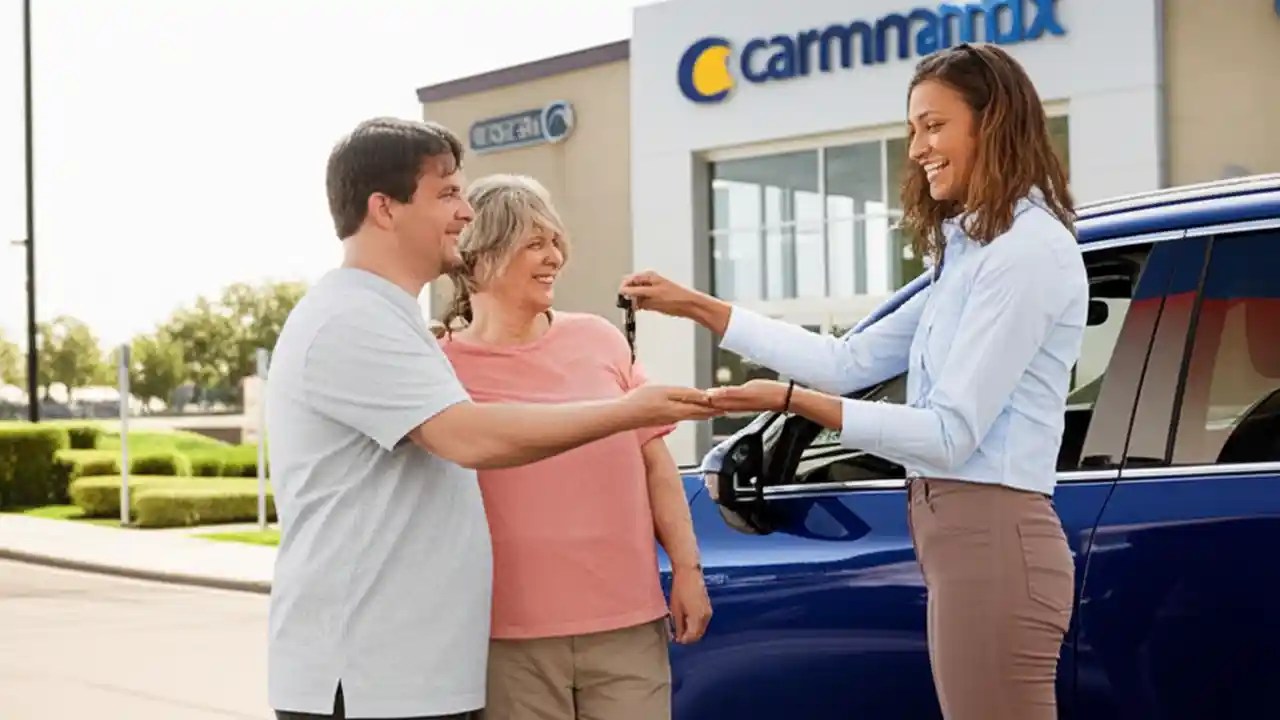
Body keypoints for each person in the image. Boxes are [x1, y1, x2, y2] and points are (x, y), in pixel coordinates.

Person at [619, 43, 1086, 720]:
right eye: (913, 131)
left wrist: (789, 402)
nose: (919, 149)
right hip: (967, 539)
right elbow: (850, 362)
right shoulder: (977, 252)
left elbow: (951, 434)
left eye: (934, 125)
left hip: (993, 536)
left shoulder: (1025, 253)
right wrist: (697, 306)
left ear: (993, 122)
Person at [265, 118, 719, 720]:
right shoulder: (357, 323)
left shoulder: (394, 323)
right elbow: (466, 436)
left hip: (411, 673)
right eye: (448, 193)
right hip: (374, 677)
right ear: (385, 208)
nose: (462, 211)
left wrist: (684, 564)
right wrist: (622, 412)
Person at [434, 174, 712, 720]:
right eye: (533, 243)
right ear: (482, 256)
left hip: (626, 623)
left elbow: (656, 465)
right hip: (506, 635)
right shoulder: (439, 364)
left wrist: (687, 571)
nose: (554, 256)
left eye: (554, 241)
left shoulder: (599, 339)